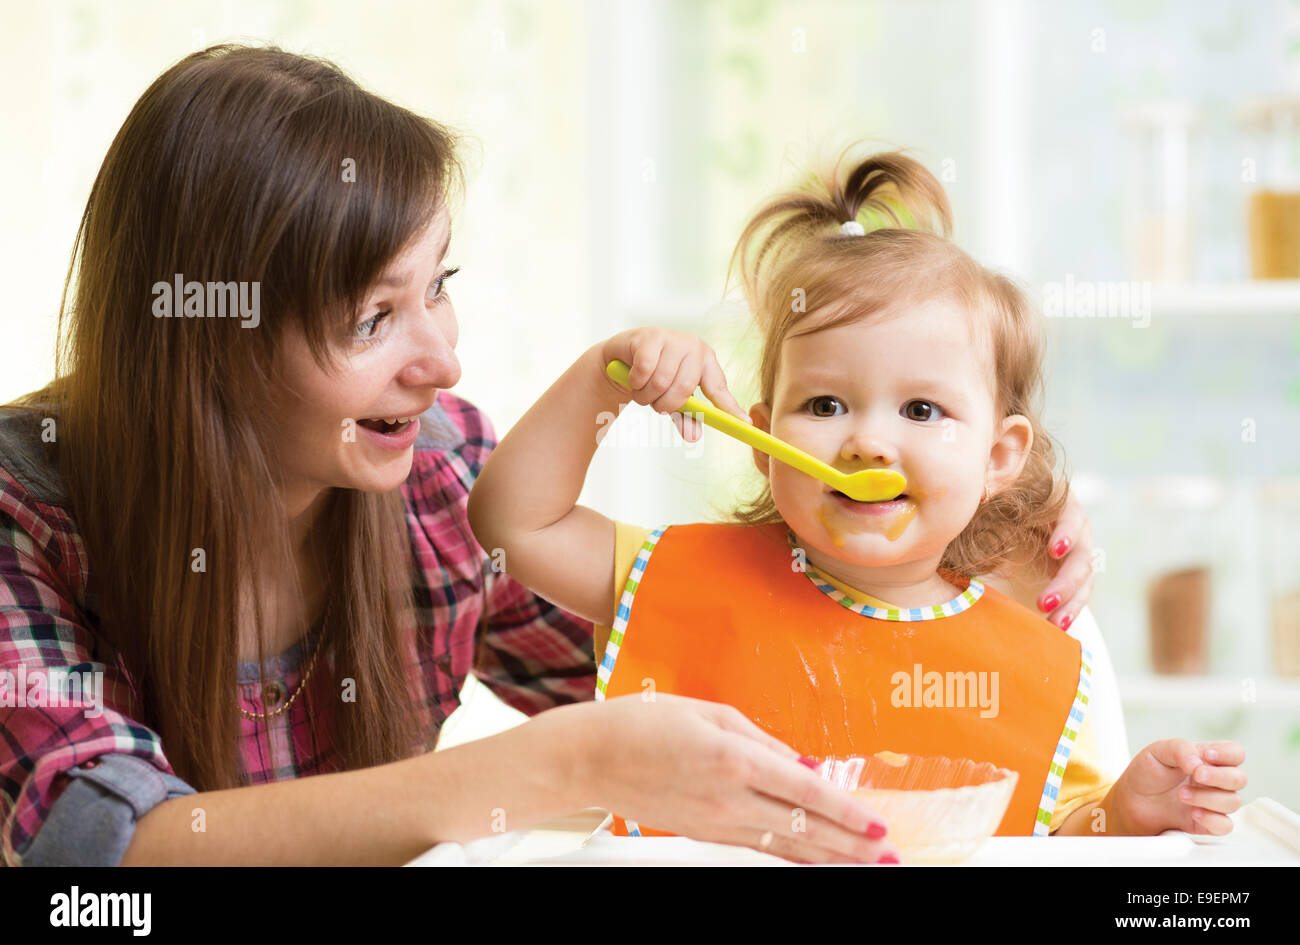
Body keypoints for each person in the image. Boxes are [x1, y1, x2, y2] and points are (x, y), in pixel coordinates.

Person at [0, 44, 915, 867]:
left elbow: (705, 686)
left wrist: (956, 559)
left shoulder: (440, 477)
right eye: (372, 319)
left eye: (438, 286)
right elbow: (97, 855)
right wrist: (568, 761)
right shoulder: (24, 514)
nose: (443, 364)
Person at [467, 150, 1246, 842]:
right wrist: (606, 376)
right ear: (765, 433)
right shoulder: (679, 575)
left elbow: (1048, 835)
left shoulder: (1028, 656)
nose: (868, 442)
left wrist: (1130, 812)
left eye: (921, 410)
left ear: (1000, 455)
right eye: (826, 406)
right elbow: (513, 522)